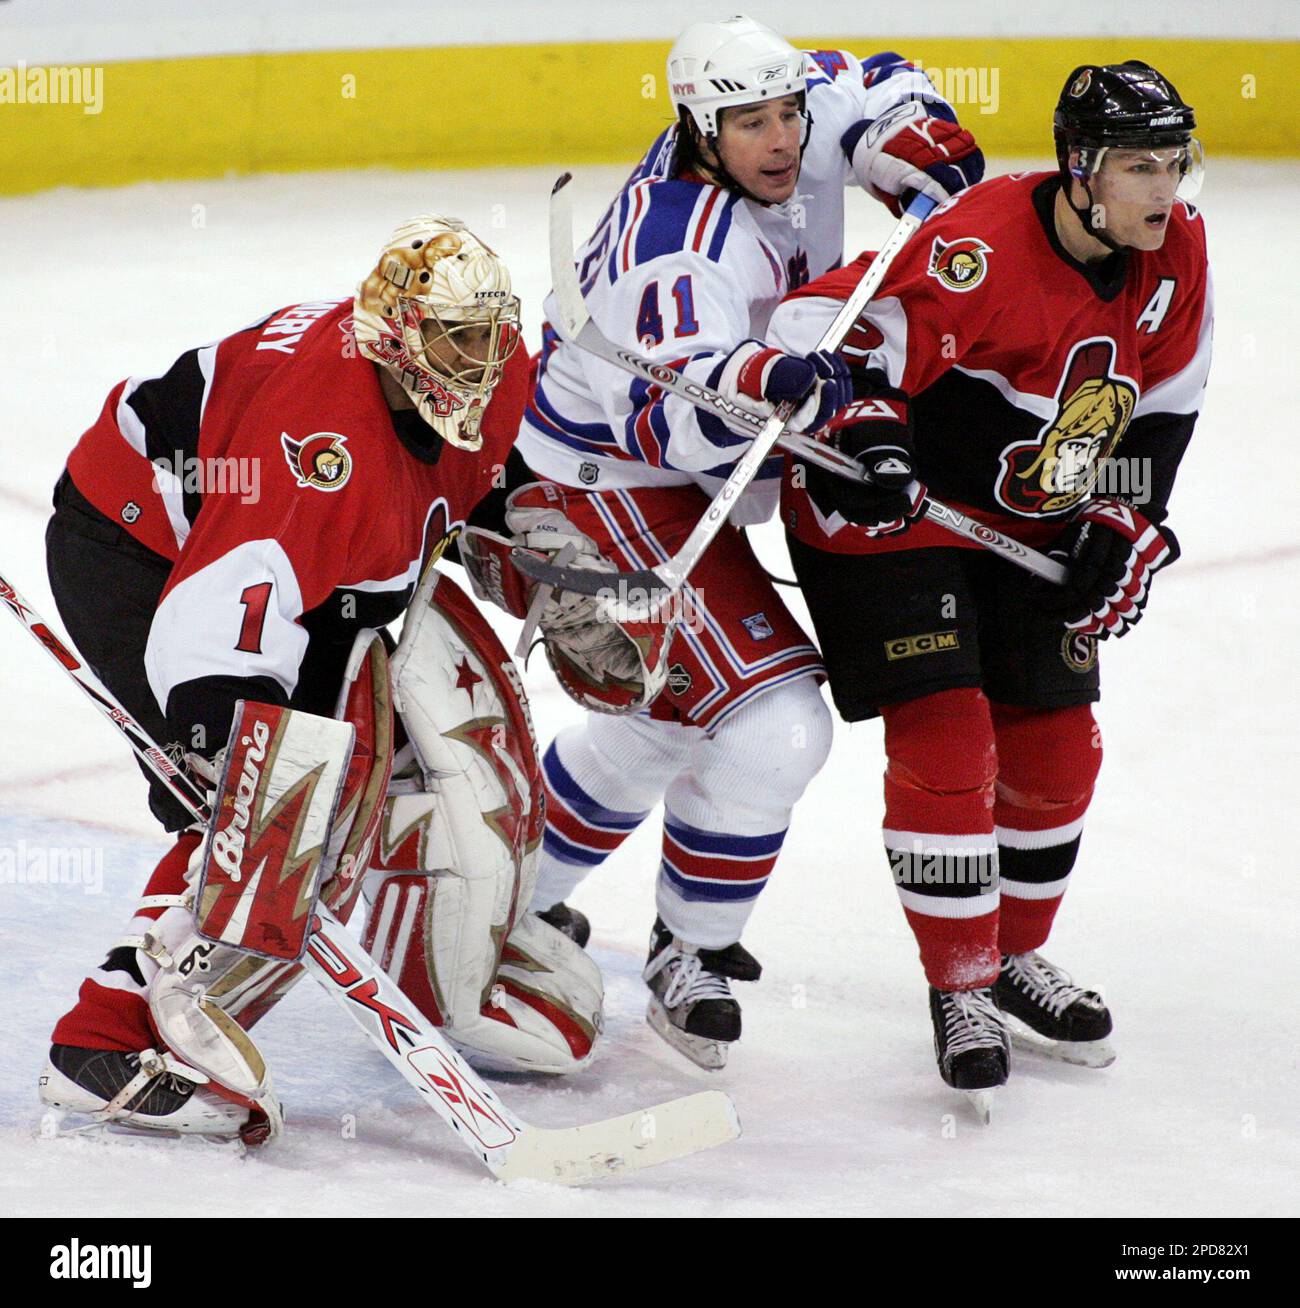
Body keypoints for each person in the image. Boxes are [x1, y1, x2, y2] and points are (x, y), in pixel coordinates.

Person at [37, 216, 599, 1142]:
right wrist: (226, 734)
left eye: (490, 335)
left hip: (296, 559)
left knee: (329, 780)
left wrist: (527, 525)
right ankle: (104, 1042)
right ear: (395, 338)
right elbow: (226, 595)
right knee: (253, 802)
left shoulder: (472, 375)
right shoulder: (319, 445)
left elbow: (483, 468)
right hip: (140, 549)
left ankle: (433, 938)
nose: (483, 360)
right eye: (455, 339)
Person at [509, 15, 983, 1068]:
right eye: (749, 124)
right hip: (600, 488)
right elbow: (670, 421)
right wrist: (766, 384)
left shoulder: (789, 114)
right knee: (773, 726)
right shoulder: (667, 251)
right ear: (696, 126)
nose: (778, 141)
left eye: (786, 118)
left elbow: (870, 80)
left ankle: (506, 897)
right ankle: (696, 954)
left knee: (665, 728)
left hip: (661, 485)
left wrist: (906, 135)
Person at [766, 61, 1212, 1106]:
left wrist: (1126, 512)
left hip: (1025, 518)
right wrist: (868, 441)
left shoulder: (1177, 252)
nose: (1163, 189)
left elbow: (1163, 408)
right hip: (888, 517)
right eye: (1139, 166)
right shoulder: (976, 248)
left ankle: (1012, 958)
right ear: (1079, 167)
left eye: (1173, 164)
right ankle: (958, 983)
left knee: (1059, 746)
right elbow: (813, 331)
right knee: (948, 733)